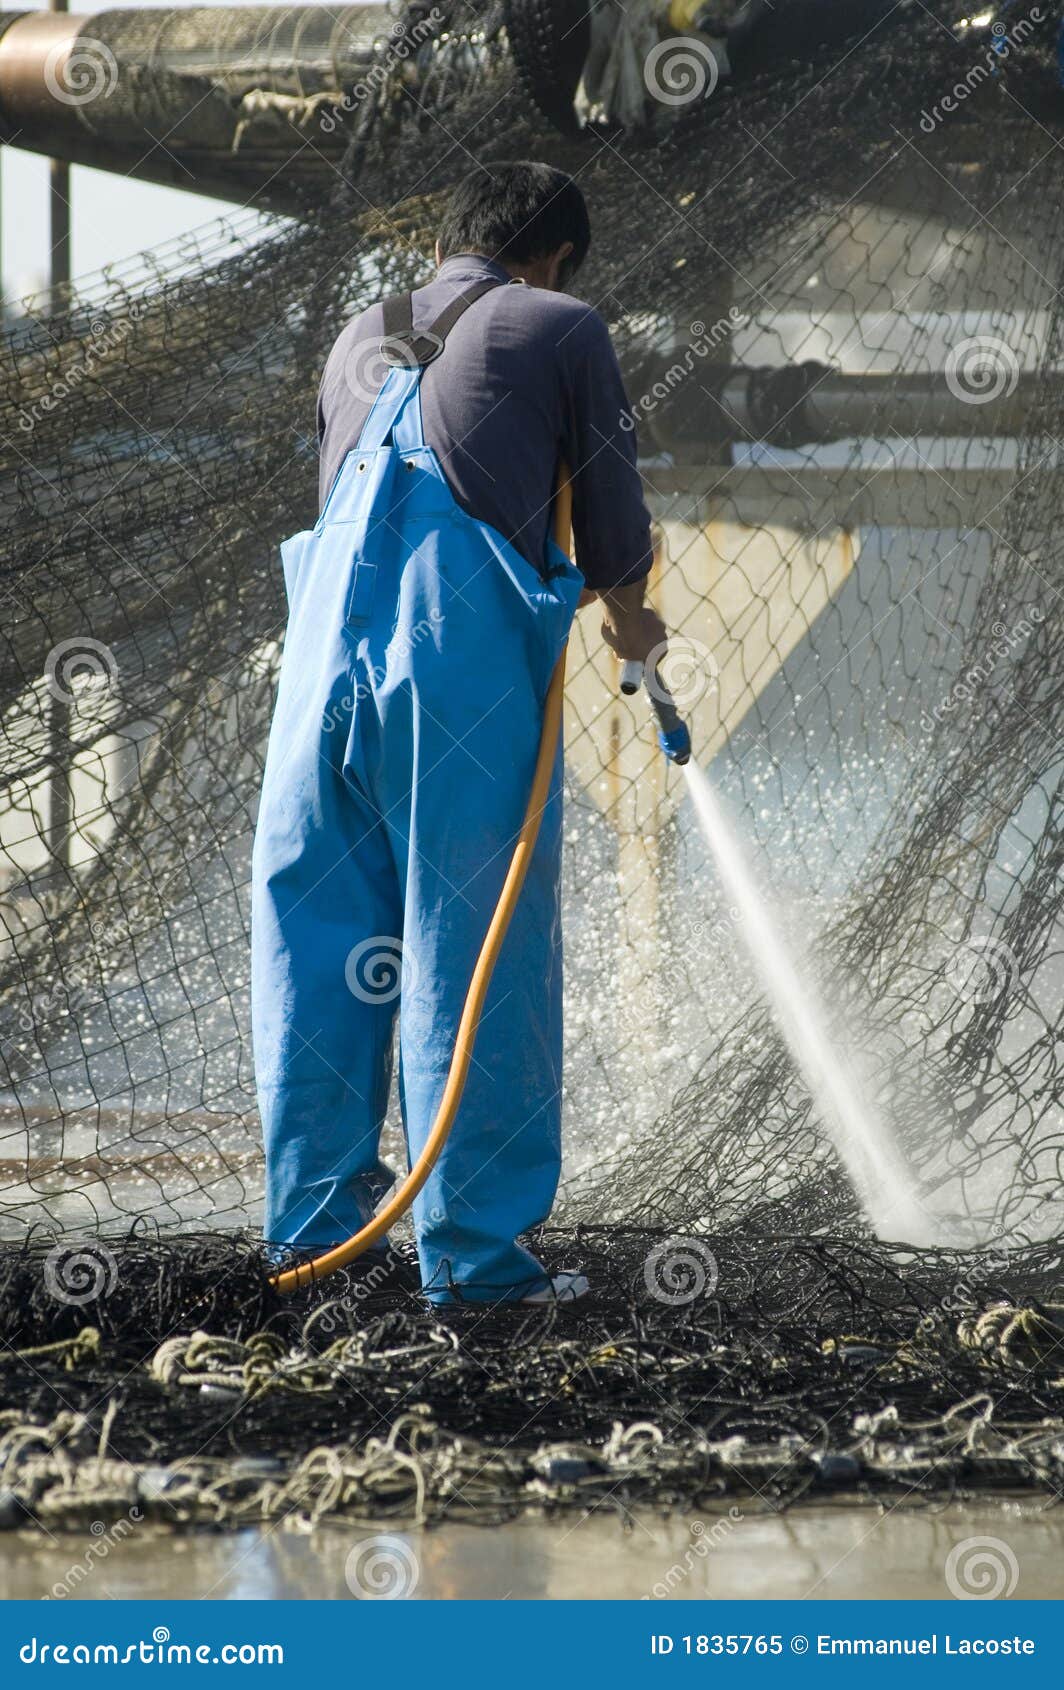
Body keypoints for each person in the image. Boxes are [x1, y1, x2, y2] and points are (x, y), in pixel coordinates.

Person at [252, 161, 667, 1303]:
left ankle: (314, 1249)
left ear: (445, 244)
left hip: (319, 669)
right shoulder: (561, 323)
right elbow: (615, 530)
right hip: (454, 668)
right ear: (552, 256)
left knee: (318, 942)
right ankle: (478, 1268)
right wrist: (634, 622)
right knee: (471, 945)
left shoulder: (355, 334)